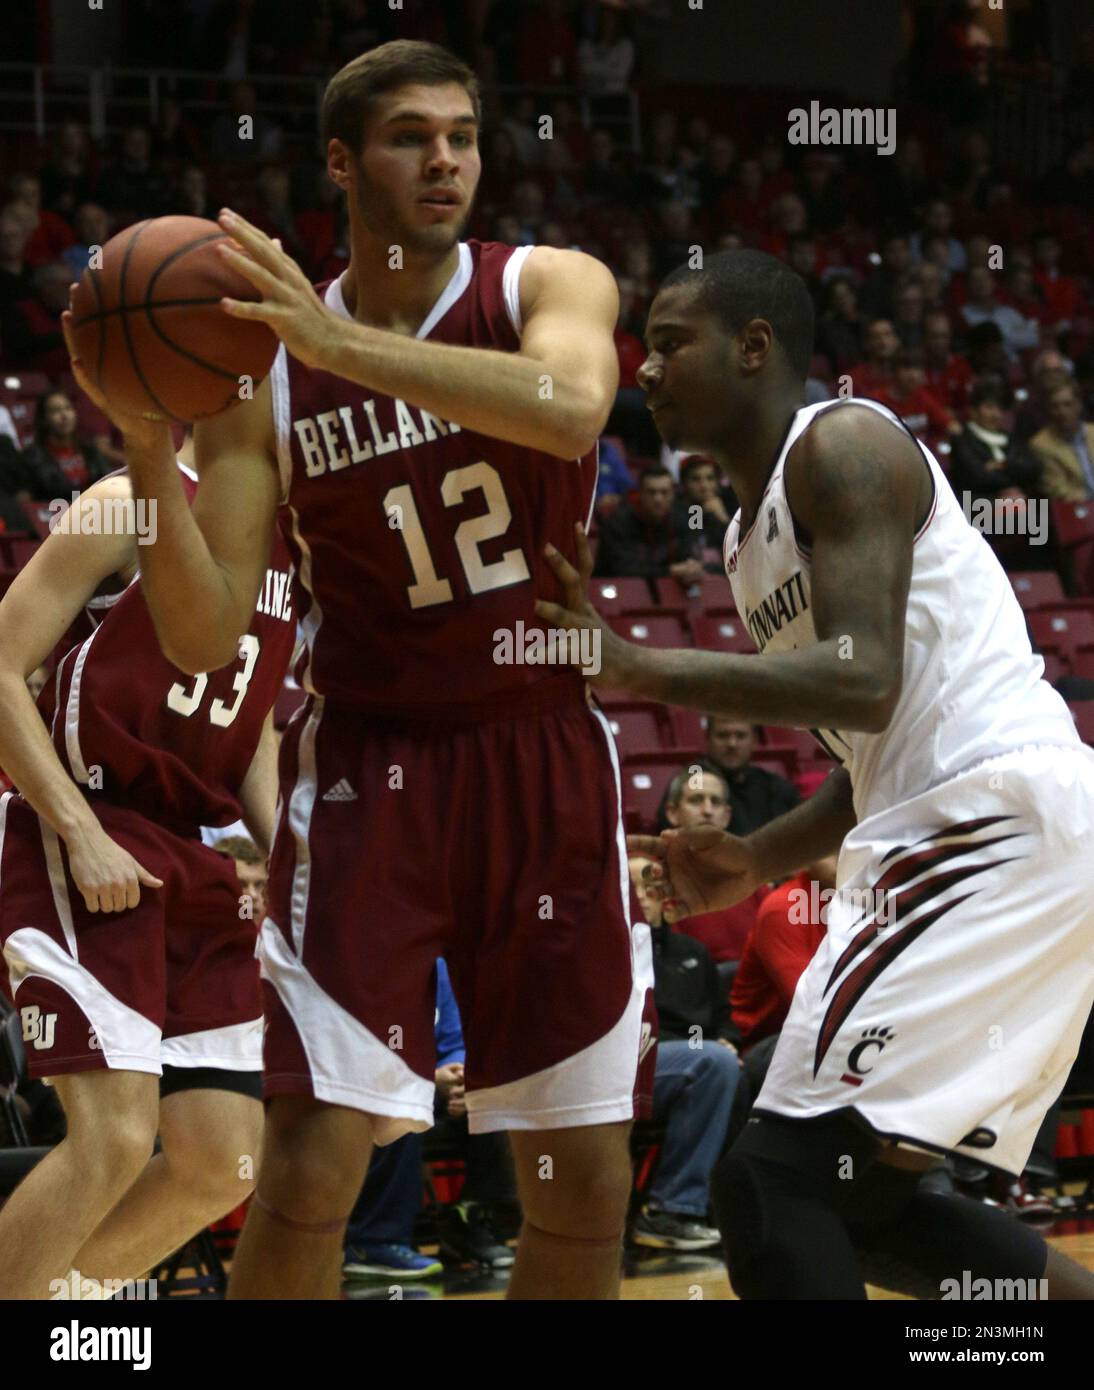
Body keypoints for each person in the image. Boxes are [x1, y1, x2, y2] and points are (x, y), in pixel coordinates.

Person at [64, 39, 654, 1303]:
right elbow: (205, 634)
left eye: (462, 135)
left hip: (543, 751)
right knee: (311, 1160)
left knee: (580, 1174)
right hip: (374, 772)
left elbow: (569, 407)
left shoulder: (549, 279)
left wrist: (343, 344)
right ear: (340, 160)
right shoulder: (263, 368)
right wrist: (141, 436)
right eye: (407, 137)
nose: (444, 159)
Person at [535, 247, 1094, 1300]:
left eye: (667, 344)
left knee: (769, 1183)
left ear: (753, 348)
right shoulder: (752, 540)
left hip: (986, 823)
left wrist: (637, 663)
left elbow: (862, 680)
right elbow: (861, 760)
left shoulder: (838, 445)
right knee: (858, 1199)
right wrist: (753, 855)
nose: (642, 370)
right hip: (962, 825)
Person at [0, 432, 295, 1299]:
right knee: (115, 1140)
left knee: (225, 1159)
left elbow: (252, 725)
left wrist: (290, 852)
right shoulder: (129, 502)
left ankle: (61, 1309)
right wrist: (79, 828)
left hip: (189, 855)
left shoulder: (295, 540)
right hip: (79, 825)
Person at [628, 854, 740, 1252]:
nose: (641, 896)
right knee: (715, 1064)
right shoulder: (607, 954)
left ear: (666, 898)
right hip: (632, 1060)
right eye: (631, 888)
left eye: (650, 887)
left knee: (741, 1070)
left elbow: (724, 1015)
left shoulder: (694, 951)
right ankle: (671, 1208)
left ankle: (735, 1210)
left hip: (696, 1055)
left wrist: (728, 1038)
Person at [593, 463, 704, 583]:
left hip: (667, 594)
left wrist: (691, 567)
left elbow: (688, 556)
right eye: (651, 492)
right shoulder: (617, 522)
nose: (658, 499)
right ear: (640, 493)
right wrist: (670, 571)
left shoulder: (681, 519)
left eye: (664, 492)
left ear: (673, 494)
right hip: (620, 593)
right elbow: (621, 569)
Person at [13, 389, 112, 501]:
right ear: (44, 419)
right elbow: (25, 501)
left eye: (68, 408)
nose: (64, 415)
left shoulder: (91, 451)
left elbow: (109, 486)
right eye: (55, 411)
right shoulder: (32, 457)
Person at [1029, 375, 1094, 502]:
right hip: (1079, 510)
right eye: (1055, 406)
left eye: (1067, 404)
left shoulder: (1092, 431)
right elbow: (1057, 490)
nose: (1062, 411)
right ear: (1048, 409)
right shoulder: (1040, 445)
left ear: (1078, 405)